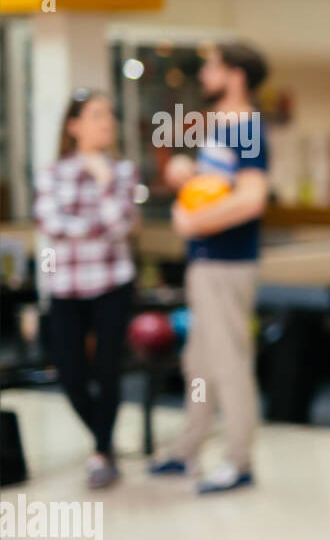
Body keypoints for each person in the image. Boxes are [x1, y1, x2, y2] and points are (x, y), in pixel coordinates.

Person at [149, 42, 270, 494]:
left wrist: (191, 221)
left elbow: (252, 198)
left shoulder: (246, 127)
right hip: (206, 263)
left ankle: (239, 460)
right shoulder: (220, 127)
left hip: (226, 264)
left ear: (235, 75)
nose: (204, 76)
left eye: (213, 68)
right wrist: (187, 174)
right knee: (198, 361)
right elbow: (218, 188)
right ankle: (187, 449)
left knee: (228, 362)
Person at [33, 90, 139, 488]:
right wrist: (96, 227)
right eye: (96, 115)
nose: (107, 122)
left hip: (113, 283)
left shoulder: (122, 172)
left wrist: (106, 183)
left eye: (109, 114)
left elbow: (119, 227)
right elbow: (51, 225)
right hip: (66, 287)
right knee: (71, 374)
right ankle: (104, 440)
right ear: (74, 125)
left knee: (108, 372)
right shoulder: (51, 172)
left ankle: (101, 452)